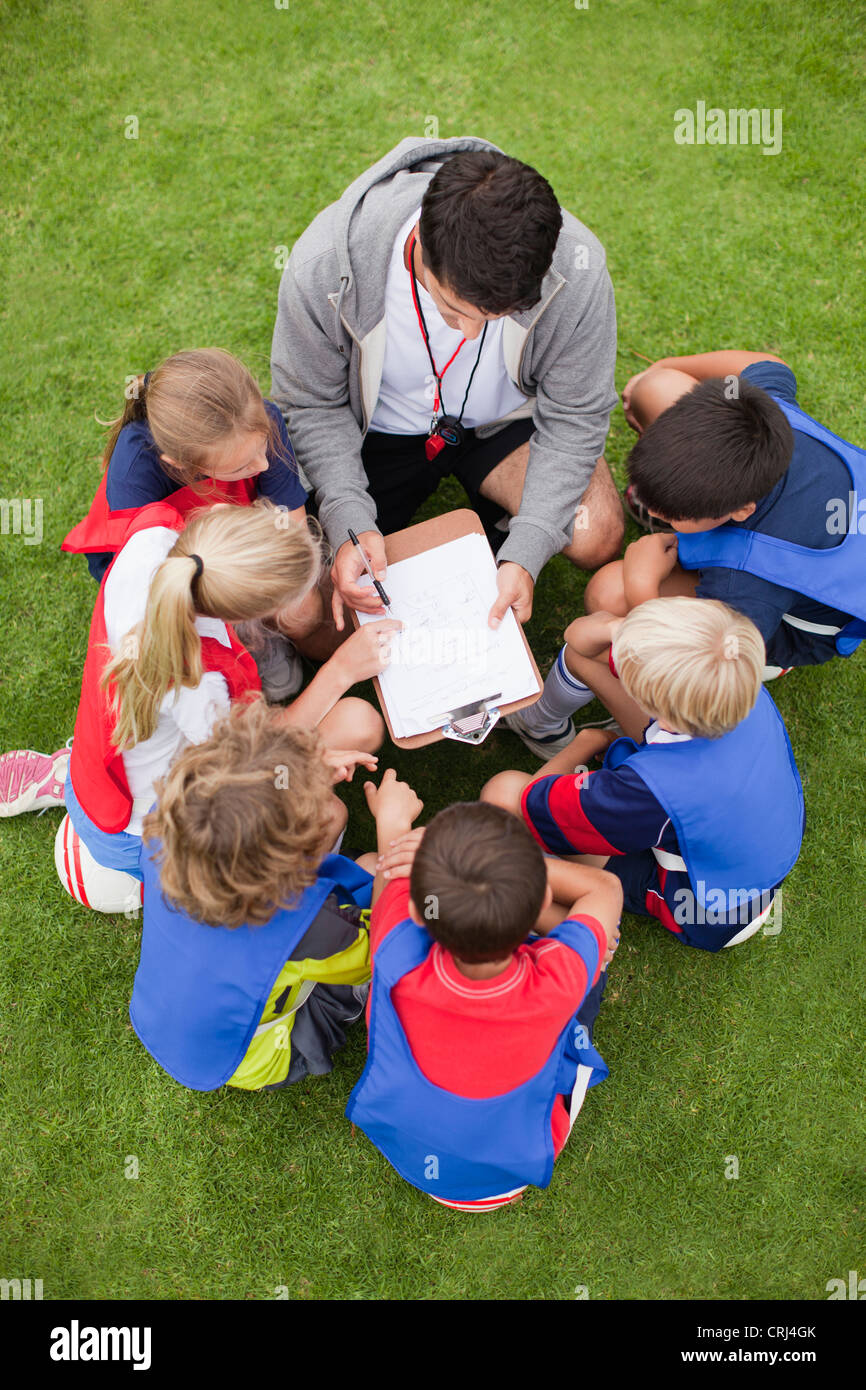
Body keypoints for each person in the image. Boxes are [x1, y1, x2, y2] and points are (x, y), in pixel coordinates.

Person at [271, 136, 623, 635]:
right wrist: (350, 516)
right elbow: (311, 404)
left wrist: (528, 547)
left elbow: (575, 417)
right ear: (421, 248)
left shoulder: (575, 268)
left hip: (505, 422)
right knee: (317, 623)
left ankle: (505, 524)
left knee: (596, 534)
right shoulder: (324, 266)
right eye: (455, 311)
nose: (473, 331)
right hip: (379, 433)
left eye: (498, 317)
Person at [51, 500, 392, 912]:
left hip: (117, 763)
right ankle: (292, 898)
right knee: (329, 814)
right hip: (158, 829)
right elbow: (251, 757)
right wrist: (341, 669)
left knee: (359, 722)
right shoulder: (196, 684)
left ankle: (61, 772)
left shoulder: (158, 538)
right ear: (252, 617)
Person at [345, 770, 621, 1210]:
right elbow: (605, 888)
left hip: (412, 1158)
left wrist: (393, 820)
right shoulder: (558, 980)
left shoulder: (396, 946)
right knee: (599, 953)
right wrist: (513, 865)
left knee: (369, 872)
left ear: (417, 909)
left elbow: (391, 867)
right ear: (542, 898)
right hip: (510, 1173)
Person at [482, 597, 804, 952]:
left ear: (663, 717)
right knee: (585, 657)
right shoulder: (735, 681)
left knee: (503, 793)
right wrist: (611, 629)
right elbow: (578, 641)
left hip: (710, 909)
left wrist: (589, 742)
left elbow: (534, 803)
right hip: (745, 854)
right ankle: (538, 724)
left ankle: (576, 930)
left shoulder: (652, 791)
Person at [62, 348, 343, 696]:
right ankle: (245, 643)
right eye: (241, 466)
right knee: (197, 645)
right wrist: (241, 601)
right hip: (175, 563)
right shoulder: (134, 480)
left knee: (302, 611)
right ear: (181, 464)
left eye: (263, 447)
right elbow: (163, 585)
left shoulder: (256, 421)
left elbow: (293, 527)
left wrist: (280, 585)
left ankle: (259, 635)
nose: (263, 466)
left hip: (226, 532)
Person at [131, 700, 377, 1091]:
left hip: (161, 1020)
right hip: (253, 1057)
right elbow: (377, 951)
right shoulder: (308, 926)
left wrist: (298, 773)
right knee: (376, 867)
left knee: (335, 817)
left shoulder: (169, 823)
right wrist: (394, 829)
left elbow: (236, 807)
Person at [587, 351, 866, 673]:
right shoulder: (762, 415)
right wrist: (664, 366)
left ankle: (775, 666)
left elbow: (717, 660)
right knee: (656, 387)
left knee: (609, 592)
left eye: (672, 513)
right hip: (818, 522)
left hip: (783, 624)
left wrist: (641, 586)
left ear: (741, 510)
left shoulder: (747, 587)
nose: (650, 507)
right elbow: (772, 365)